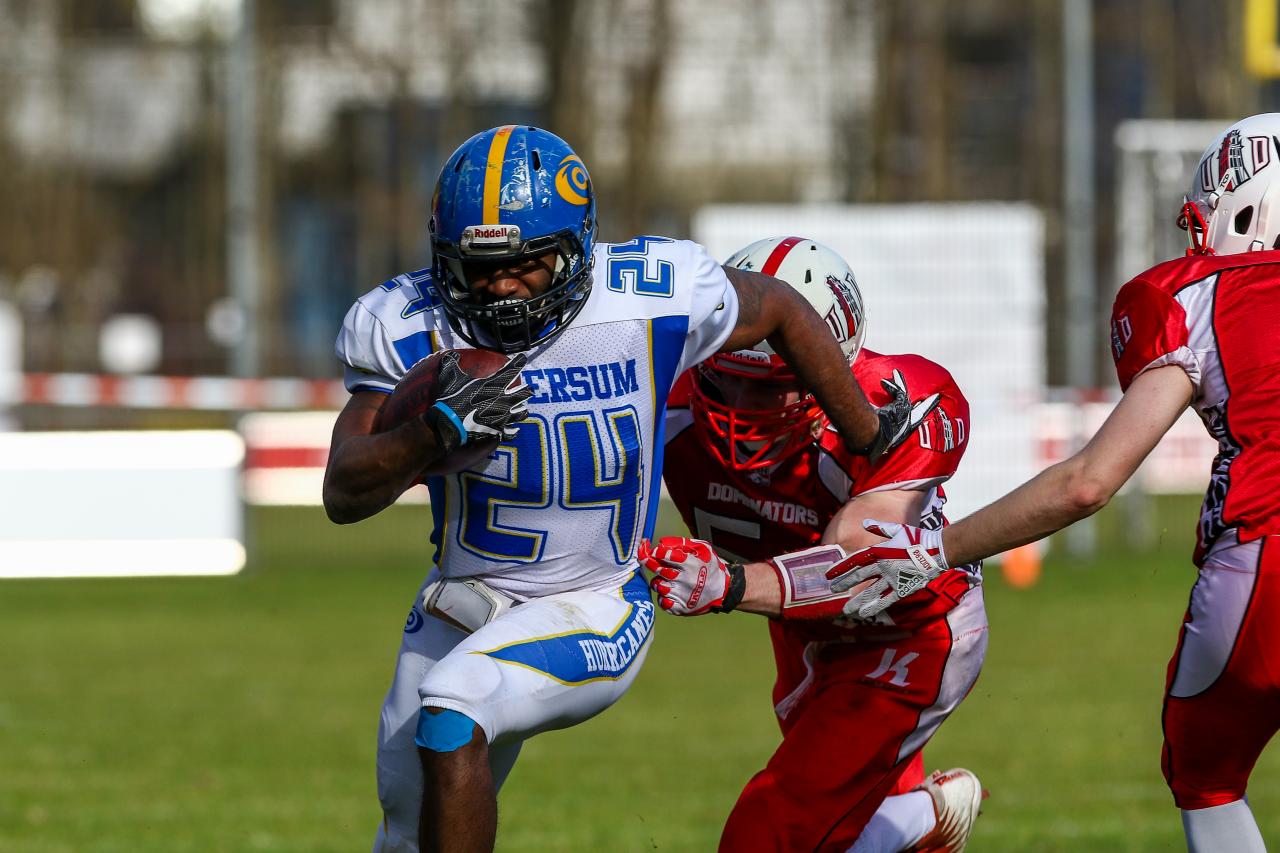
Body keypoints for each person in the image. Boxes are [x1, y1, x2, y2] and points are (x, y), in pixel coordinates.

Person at [322, 126, 936, 853]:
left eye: (527, 263)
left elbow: (779, 305)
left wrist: (865, 432)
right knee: (401, 829)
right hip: (460, 595)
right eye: (480, 266)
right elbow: (344, 491)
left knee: (454, 709)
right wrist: (431, 433)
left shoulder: (650, 291)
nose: (502, 286)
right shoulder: (402, 321)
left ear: (578, 246)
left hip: (597, 599)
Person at [831, 113, 1280, 853]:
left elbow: (1087, 482)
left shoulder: (1199, 295)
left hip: (1264, 565)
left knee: (1207, 772)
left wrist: (934, 549)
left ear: (1243, 206)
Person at [640, 236, 987, 853]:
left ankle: (925, 818)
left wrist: (729, 583)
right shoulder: (668, 401)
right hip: (802, 634)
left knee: (773, 828)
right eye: (728, 381)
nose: (743, 410)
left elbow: (853, 569)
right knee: (840, 818)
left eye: (770, 390)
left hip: (908, 629)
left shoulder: (894, 403)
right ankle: (919, 825)